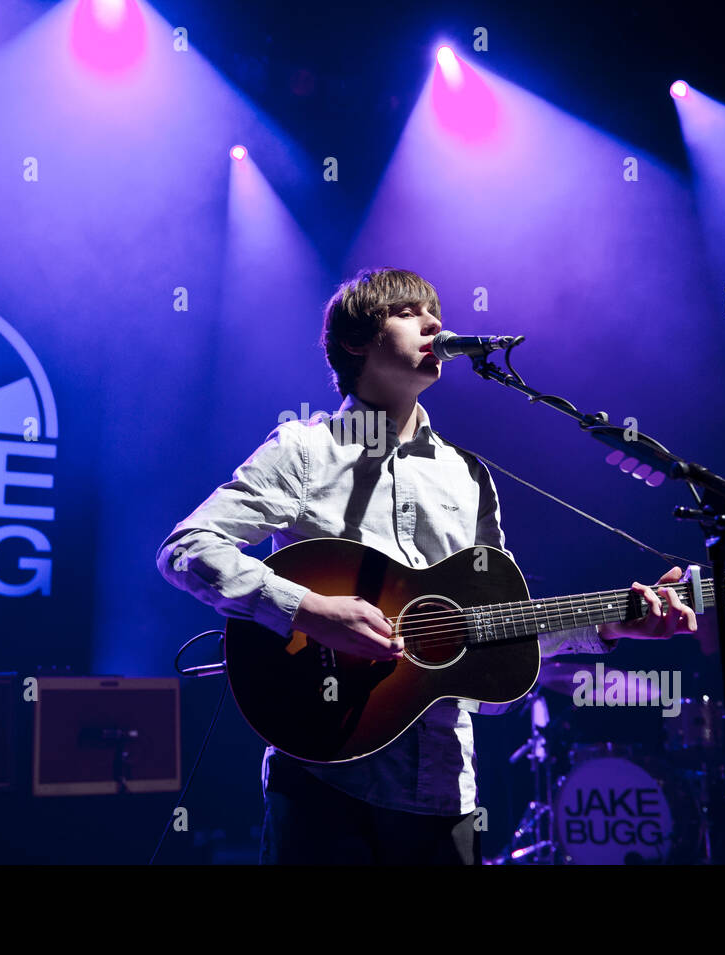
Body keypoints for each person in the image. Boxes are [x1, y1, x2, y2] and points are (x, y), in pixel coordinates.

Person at [156, 267, 697, 864]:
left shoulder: (468, 476)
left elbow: (496, 634)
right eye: (409, 312)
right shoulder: (304, 450)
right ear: (356, 341)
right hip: (324, 773)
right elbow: (188, 547)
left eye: (435, 312)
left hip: (445, 788)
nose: (435, 323)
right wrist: (310, 611)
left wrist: (608, 625)